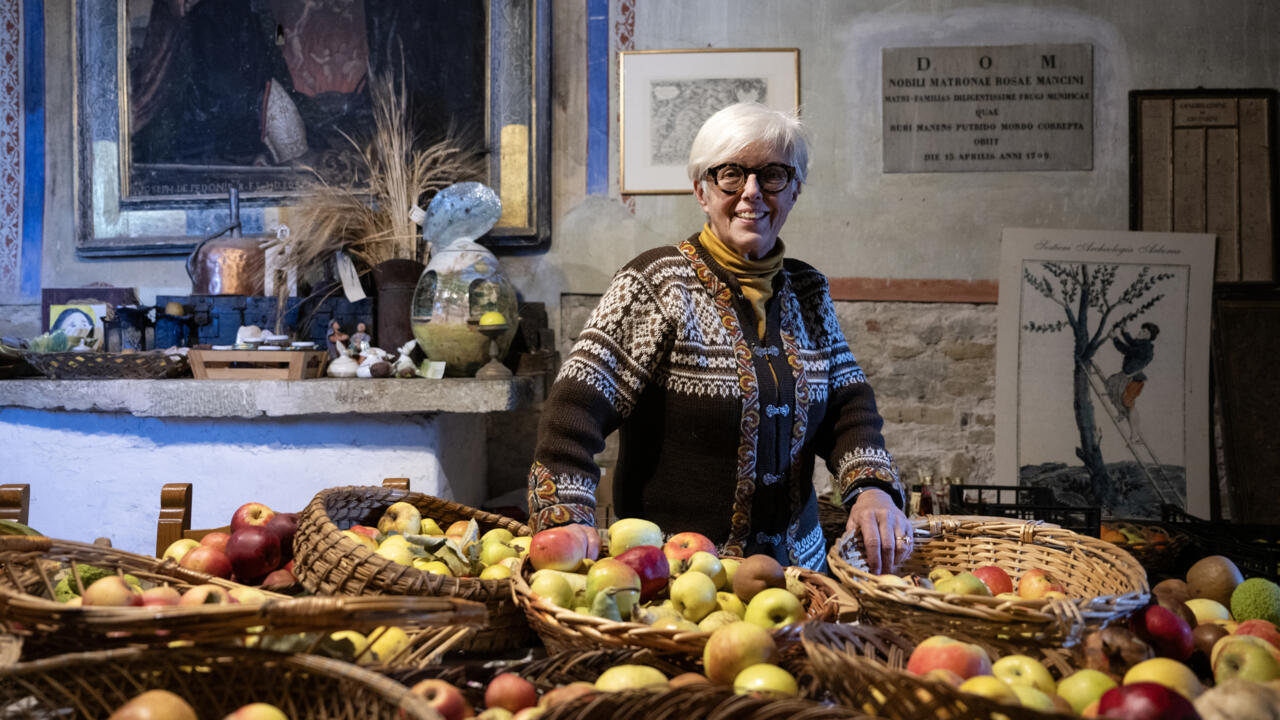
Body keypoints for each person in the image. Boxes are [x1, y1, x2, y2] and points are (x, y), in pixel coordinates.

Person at [527, 103, 911, 573]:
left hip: (801, 576)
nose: (751, 193)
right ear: (702, 191)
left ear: (794, 192)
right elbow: (573, 412)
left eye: (773, 175)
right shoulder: (657, 283)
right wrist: (566, 519)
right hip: (678, 580)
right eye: (730, 174)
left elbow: (847, 406)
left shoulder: (808, 291)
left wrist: (872, 489)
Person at [1106, 322, 1159, 440]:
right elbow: (1132, 342)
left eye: (1145, 332)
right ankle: (1122, 413)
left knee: (1128, 404)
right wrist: (1124, 331)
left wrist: (1114, 338)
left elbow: (1126, 349)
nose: (1141, 332)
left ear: (1150, 337)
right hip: (1126, 376)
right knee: (1111, 385)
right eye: (1142, 329)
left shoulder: (1146, 348)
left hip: (1134, 379)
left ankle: (1134, 435)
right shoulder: (1141, 344)